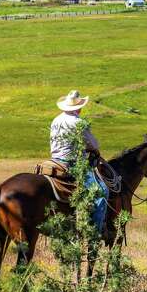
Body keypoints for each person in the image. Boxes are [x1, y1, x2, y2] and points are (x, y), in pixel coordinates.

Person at [50, 89, 109, 233]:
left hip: (54, 161)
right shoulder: (79, 122)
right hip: (72, 164)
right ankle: (94, 233)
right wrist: (92, 150)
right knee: (102, 191)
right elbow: (93, 145)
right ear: (79, 107)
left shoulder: (56, 120)